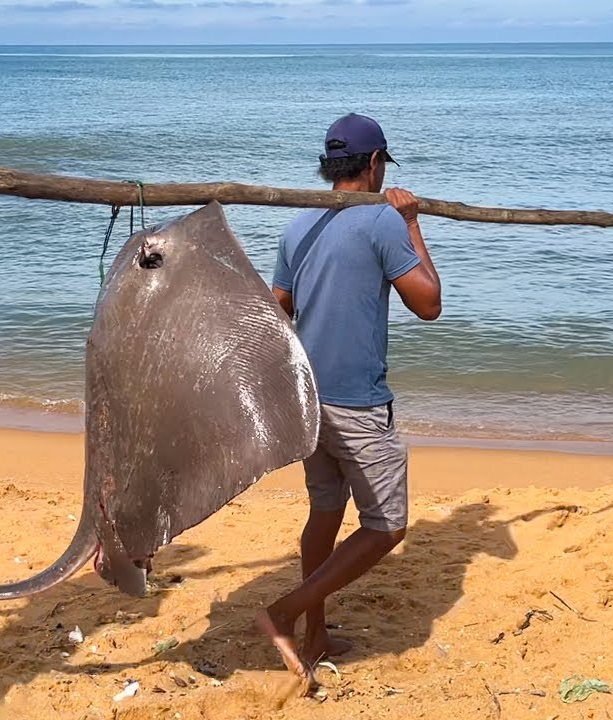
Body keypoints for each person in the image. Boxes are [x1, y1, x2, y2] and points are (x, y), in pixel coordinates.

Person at [256, 112, 442, 690]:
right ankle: (285, 614)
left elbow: (274, 307)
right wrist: (410, 223)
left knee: (326, 512)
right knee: (387, 526)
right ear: (372, 164)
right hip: (357, 403)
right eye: (382, 163)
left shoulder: (299, 226)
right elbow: (429, 304)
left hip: (309, 399)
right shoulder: (381, 219)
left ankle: (316, 634)